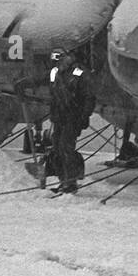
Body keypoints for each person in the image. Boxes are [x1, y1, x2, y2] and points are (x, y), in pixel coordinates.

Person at [48, 47, 95, 193]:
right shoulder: (55, 72)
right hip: (59, 117)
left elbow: (89, 97)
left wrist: (84, 116)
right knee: (57, 149)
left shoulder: (79, 73)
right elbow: (43, 79)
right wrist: (26, 83)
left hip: (72, 117)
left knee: (66, 148)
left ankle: (70, 182)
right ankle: (64, 181)